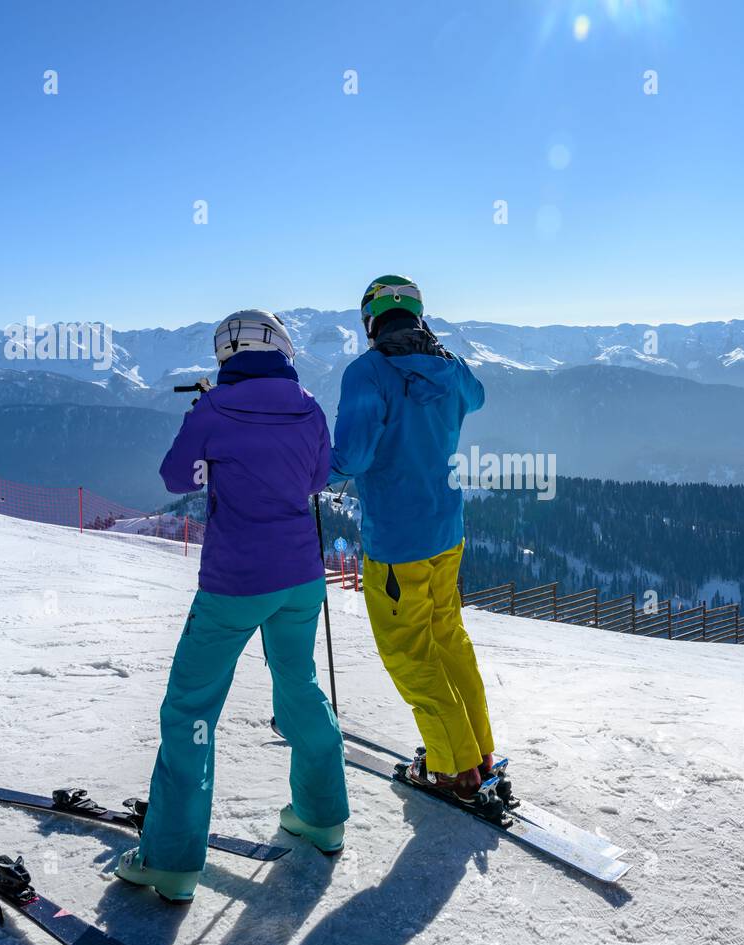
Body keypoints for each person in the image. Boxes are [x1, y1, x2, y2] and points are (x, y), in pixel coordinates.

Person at [114, 309, 349, 904]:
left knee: (191, 710)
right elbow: (319, 477)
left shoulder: (214, 409)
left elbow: (176, 478)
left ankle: (170, 861)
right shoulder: (311, 406)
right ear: (283, 350)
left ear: (225, 356)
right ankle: (322, 817)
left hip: (234, 583)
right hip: (300, 576)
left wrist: (204, 420)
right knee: (300, 686)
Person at [329, 276, 494, 802]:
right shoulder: (449, 366)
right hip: (447, 531)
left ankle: (454, 769)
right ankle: (478, 751)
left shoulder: (367, 372)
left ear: (370, 322)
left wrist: (310, 471)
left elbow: (349, 458)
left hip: (398, 543)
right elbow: (479, 396)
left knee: (409, 653)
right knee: (448, 638)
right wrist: (439, 355)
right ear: (419, 317)